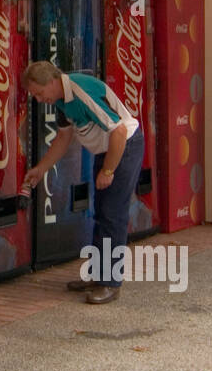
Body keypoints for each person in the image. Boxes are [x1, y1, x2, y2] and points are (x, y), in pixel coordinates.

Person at [20, 60, 144, 305]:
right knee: (101, 214)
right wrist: (41, 169)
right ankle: (99, 276)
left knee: (112, 215)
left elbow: (118, 131)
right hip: (107, 150)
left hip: (124, 147)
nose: (38, 99)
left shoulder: (78, 92)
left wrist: (108, 170)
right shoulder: (60, 100)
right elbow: (63, 139)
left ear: (52, 82)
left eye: (39, 93)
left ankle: (110, 283)